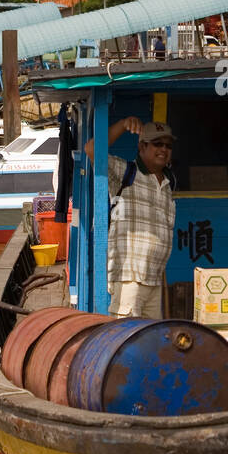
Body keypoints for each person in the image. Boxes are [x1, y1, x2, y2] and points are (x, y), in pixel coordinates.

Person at [85, 118, 175, 319]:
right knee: (127, 338)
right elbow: (91, 149)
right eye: (157, 144)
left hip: (155, 280)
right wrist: (123, 125)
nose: (164, 149)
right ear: (142, 146)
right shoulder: (125, 172)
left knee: (150, 341)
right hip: (129, 278)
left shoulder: (169, 184)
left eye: (168, 146)